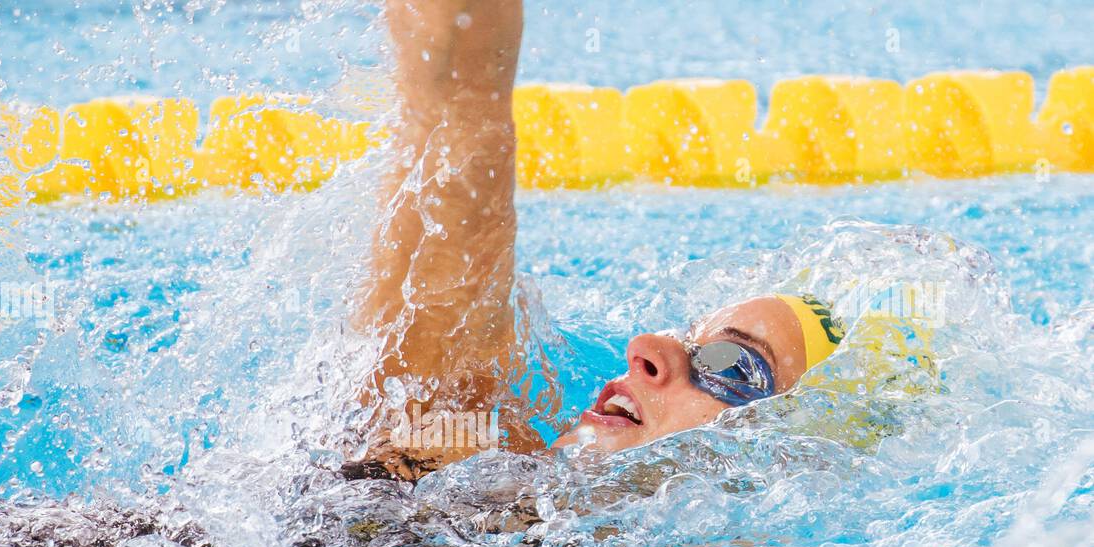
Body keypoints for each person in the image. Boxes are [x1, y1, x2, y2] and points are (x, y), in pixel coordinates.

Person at [349, 0, 844, 481]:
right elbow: (453, 114)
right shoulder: (456, 453)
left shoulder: (447, 466)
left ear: (782, 461)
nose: (645, 349)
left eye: (731, 366)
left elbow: (461, 109)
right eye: (686, 338)